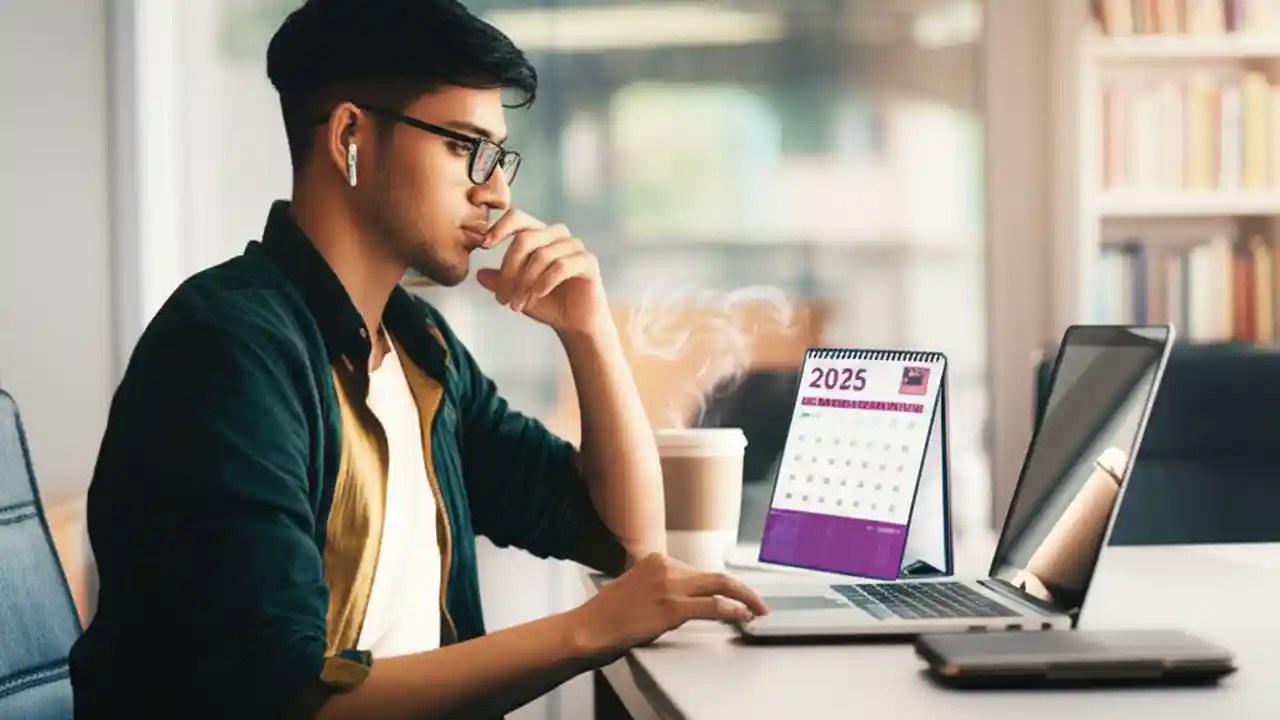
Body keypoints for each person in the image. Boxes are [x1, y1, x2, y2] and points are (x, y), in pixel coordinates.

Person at [68, 1, 768, 717]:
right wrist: (588, 630)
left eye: (499, 156)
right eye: (467, 147)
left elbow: (627, 540)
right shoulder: (228, 350)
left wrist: (589, 332)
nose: (497, 193)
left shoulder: (417, 346)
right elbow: (284, 700)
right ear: (349, 136)